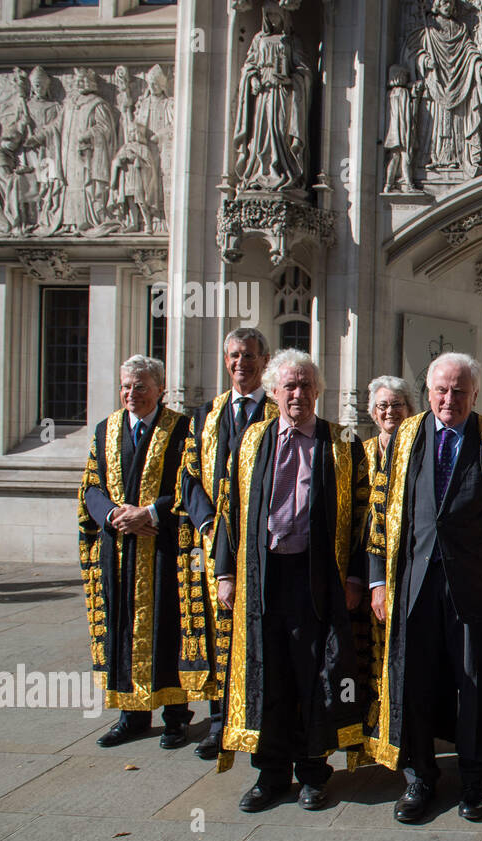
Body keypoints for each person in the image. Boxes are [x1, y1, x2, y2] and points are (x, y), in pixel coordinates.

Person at [366, 353, 482, 824]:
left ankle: (476, 780)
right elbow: (379, 509)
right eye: (440, 390)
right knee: (414, 680)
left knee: (474, 683)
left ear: (475, 394)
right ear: (428, 391)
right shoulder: (406, 435)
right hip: (413, 584)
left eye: (459, 391)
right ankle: (420, 776)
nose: (448, 399)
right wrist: (377, 580)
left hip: (475, 588)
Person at [213, 350, 370, 812]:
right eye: (289, 386)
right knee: (269, 671)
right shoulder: (252, 439)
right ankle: (270, 773)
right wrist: (225, 572)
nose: (297, 394)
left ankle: (314, 772)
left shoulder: (342, 442)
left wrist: (357, 578)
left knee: (314, 674)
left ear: (318, 391)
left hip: (316, 579)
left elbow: (364, 515)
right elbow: (230, 508)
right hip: (262, 577)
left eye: (306, 385)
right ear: (274, 391)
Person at [79, 355, 208, 748]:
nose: (130, 394)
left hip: (165, 548)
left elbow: (193, 483)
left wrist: (150, 511)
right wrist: (114, 514)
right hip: (119, 550)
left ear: (160, 390)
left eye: (139, 386)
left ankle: (175, 717)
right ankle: (131, 715)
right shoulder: (105, 430)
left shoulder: (183, 429)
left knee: (168, 628)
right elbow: (90, 486)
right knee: (122, 629)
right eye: (125, 386)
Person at [177, 327, 276, 760]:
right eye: (234, 356)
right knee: (218, 632)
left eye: (250, 356)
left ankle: (258, 718)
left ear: (264, 361)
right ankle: (218, 723)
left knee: (258, 631)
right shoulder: (205, 417)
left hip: (261, 545)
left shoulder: (279, 412)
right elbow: (187, 475)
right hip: (212, 543)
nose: (242, 364)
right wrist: (208, 523)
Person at [353, 375, 416, 765]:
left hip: (410, 575)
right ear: (372, 413)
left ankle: (406, 735)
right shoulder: (358, 454)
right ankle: (375, 736)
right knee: (371, 660)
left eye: (396, 405)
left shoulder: (420, 449)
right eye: (382, 407)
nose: (389, 412)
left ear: (409, 409)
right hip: (369, 574)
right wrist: (365, 578)